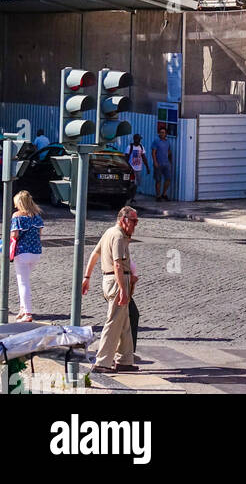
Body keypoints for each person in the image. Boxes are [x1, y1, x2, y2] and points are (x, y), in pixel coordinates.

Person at [81, 205, 138, 372]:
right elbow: (118, 264)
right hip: (116, 281)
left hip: (110, 280)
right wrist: (123, 289)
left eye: (137, 221)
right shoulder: (119, 236)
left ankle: (125, 360)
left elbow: (95, 254)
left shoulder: (109, 232)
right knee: (113, 323)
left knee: (124, 322)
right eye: (134, 221)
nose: (136, 224)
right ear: (123, 220)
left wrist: (87, 277)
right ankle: (102, 362)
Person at [9, 190, 44, 322]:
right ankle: (22, 309)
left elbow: (14, 235)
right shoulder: (37, 216)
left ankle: (27, 313)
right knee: (25, 280)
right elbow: (39, 234)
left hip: (22, 252)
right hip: (35, 252)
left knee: (23, 282)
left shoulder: (17, 216)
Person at [125, 133, 149, 205]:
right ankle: (129, 197)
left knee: (136, 184)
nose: (139, 141)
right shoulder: (130, 147)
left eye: (140, 139)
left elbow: (144, 157)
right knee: (132, 184)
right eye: (138, 139)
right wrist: (127, 167)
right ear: (135, 139)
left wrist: (147, 167)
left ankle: (132, 198)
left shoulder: (141, 147)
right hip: (131, 169)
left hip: (138, 168)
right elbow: (126, 157)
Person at [151, 125, 173, 201]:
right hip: (158, 163)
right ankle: (158, 196)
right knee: (158, 180)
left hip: (166, 163)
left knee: (168, 179)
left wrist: (170, 162)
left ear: (166, 134)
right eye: (160, 132)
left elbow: (169, 152)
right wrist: (155, 162)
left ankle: (164, 194)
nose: (162, 134)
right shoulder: (156, 141)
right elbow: (153, 152)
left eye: (163, 132)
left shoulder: (167, 142)